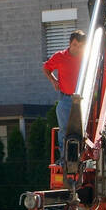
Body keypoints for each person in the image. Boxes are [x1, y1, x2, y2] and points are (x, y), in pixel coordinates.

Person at [42, 30, 86, 161]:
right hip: (66, 98)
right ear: (70, 43)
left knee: (83, 129)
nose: (77, 48)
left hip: (84, 99)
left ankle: (81, 156)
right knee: (64, 130)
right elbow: (46, 68)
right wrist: (53, 81)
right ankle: (64, 157)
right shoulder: (60, 56)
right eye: (75, 45)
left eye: (80, 45)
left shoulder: (87, 57)